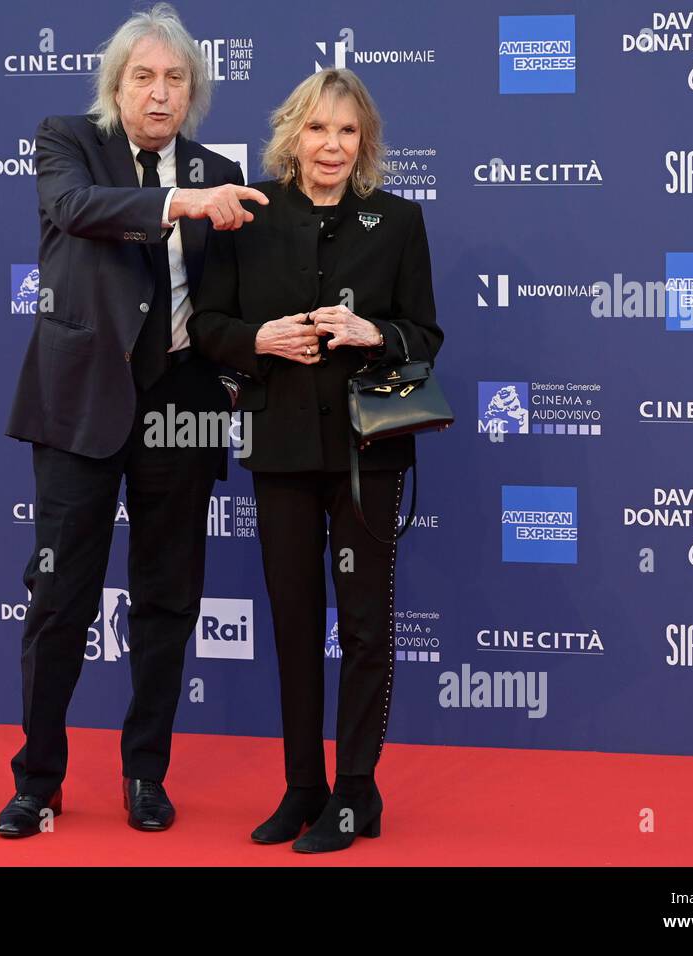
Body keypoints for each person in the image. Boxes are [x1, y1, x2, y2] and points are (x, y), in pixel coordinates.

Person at [0, 3, 267, 838]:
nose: (159, 93)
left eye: (175, 79)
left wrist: (229, 379)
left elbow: (226, 302)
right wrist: (183, 202)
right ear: (115, 87)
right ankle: (37, 779)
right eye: (143, 77)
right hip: (81, 401)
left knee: (166, 599)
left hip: (180, 404)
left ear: (195, 92)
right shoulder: (66, 142)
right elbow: (80, 209)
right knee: (59, 599)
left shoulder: (221, 171)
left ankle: (145, 773)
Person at [189, 68, 443, 853]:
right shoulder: (252, 219)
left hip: (370, 454)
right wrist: (258, 340)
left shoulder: (397, 221)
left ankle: (357, 793)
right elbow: (206, 327)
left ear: (363, 142)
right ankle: (303, 787)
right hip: (282, 448)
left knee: (366, 627)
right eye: (317, 129)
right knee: (295, 624)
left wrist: (379, 336)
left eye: (347, 131)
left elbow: (425, 337)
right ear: (292, 135)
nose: (331, 145)